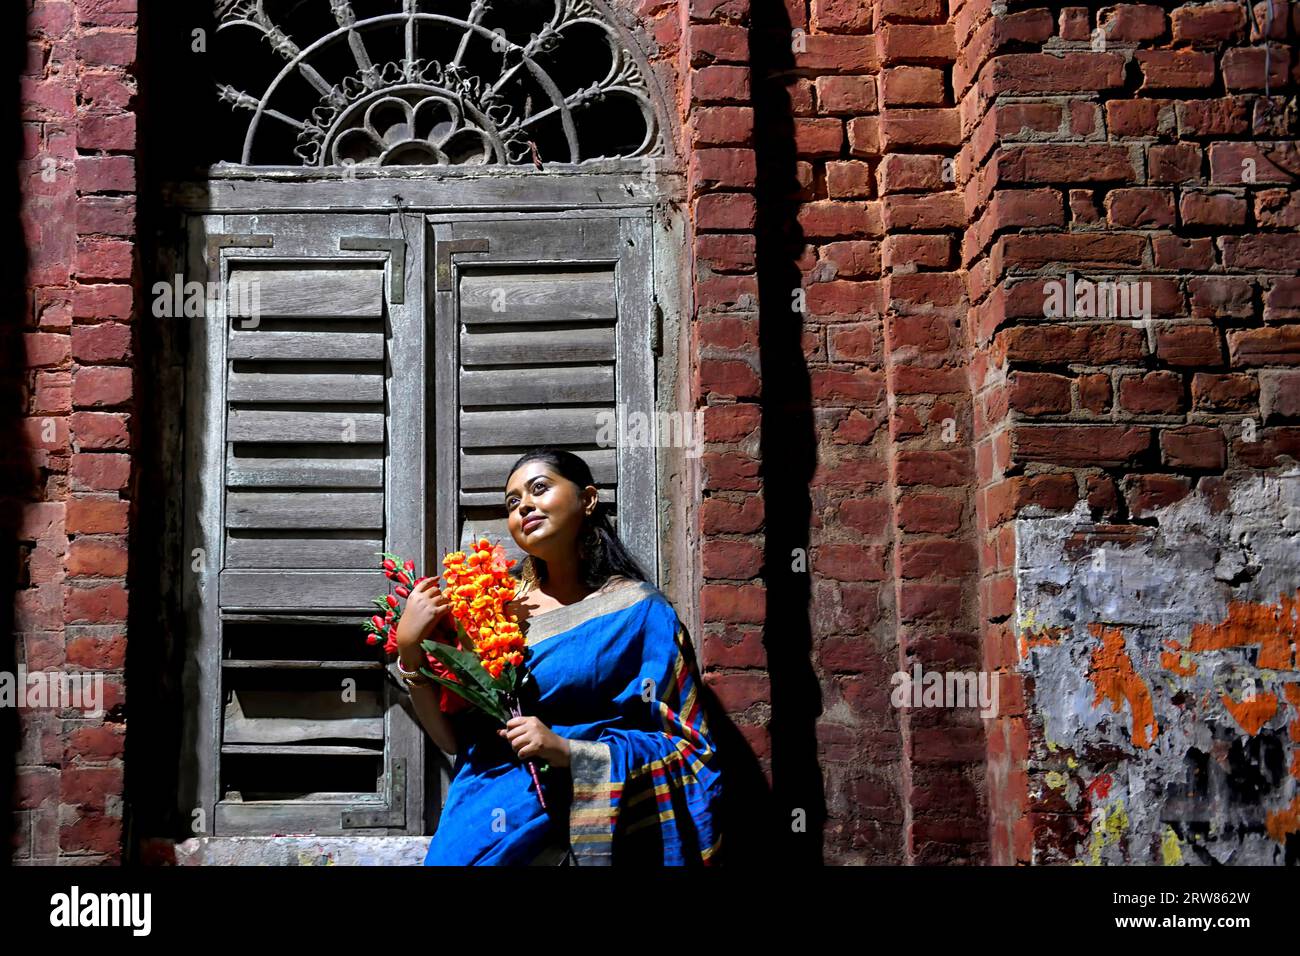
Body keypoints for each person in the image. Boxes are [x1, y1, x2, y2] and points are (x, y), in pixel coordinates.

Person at [393, 446, 724, 865]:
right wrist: (410, 652)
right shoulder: (491, 609)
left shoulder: (639, 613)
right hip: (479, 817)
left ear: (587, 499)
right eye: (512, 503)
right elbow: (454, 740)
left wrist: (569, 751)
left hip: (588, 819)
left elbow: (691, 750)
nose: (524, 506)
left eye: (539, 489)